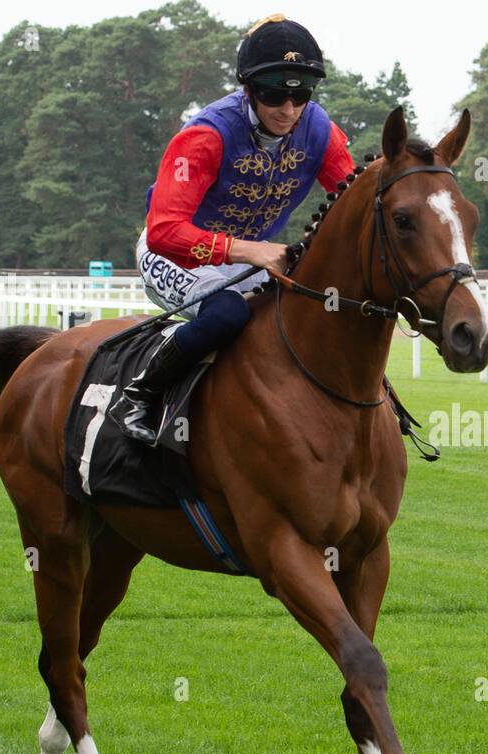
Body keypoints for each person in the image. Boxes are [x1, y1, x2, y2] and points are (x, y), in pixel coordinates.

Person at [114, 13, 355, 444]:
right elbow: (163, 233)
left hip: (249, 258)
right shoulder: (205, 136)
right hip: (173, 255)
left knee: (315, 310)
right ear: (248, 88)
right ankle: (140, 394)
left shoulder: (320, 132)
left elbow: (352, 201)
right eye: (274, 96)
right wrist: (249, 250)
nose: (288, 110)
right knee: (228, 312)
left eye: (300, 98)